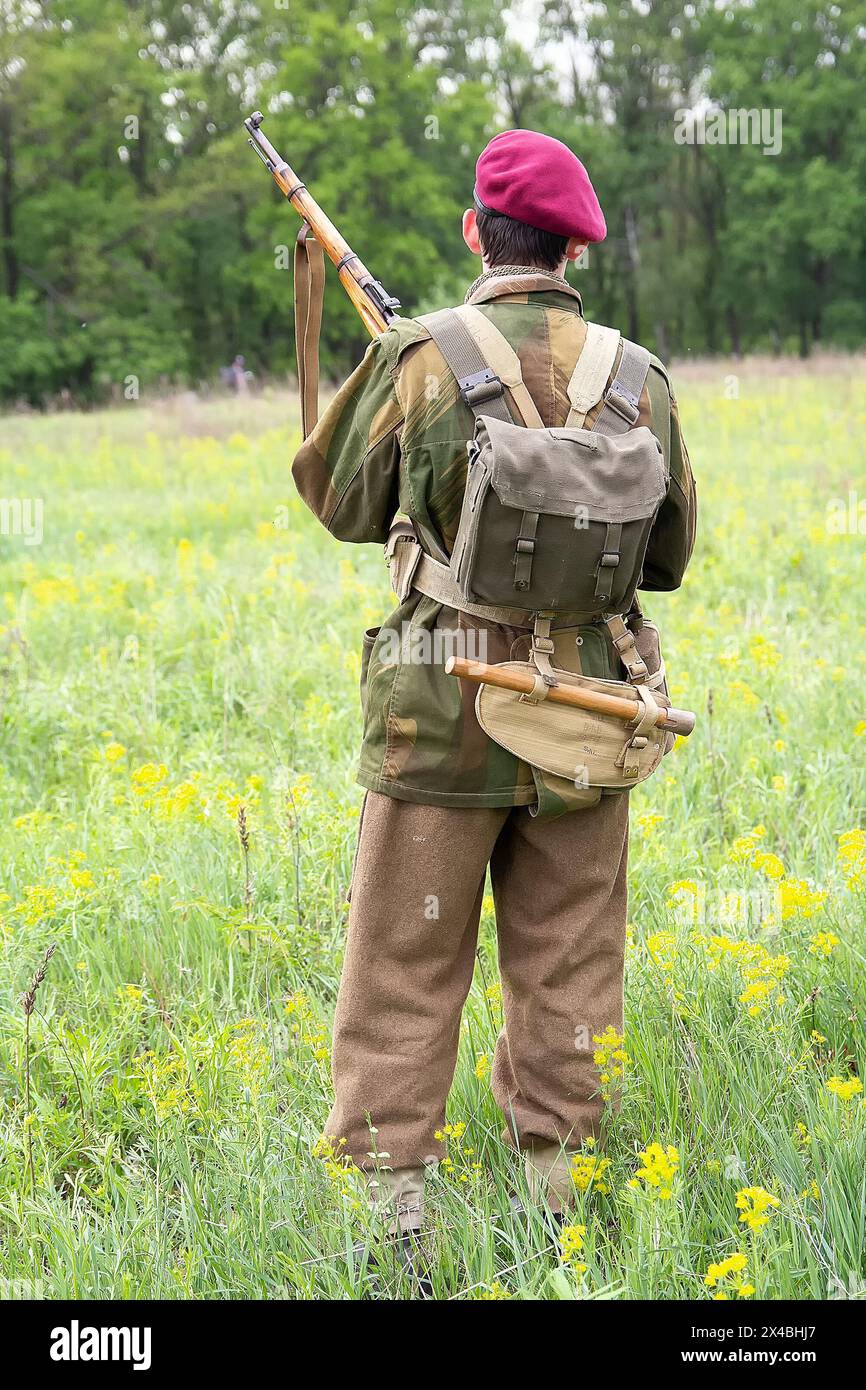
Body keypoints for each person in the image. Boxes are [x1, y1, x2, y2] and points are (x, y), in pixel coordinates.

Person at [292, 129, 697, 1260]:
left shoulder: (421, 354)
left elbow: (333, 500)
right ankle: (555, 1198)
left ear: (477, 231)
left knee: (405, 956)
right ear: (576, 246)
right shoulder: (639, 377)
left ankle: (394, 1216)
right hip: (589, 710)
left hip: (439, 700)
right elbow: (666, 555)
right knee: (569, 949)